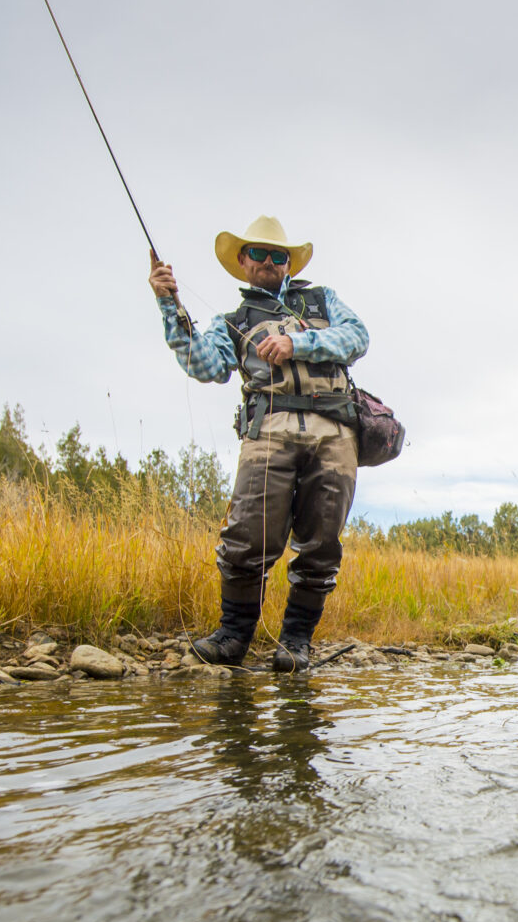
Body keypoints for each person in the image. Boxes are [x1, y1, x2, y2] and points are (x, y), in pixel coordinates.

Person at [148, 215, 370, 670]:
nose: (268, 261)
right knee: (246, 538)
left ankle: (295, 643)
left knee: (321, 545)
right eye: (258, 253)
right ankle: (234, 637)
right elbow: (205, 365)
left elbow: (357, 337)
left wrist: (297, 342)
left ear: (288, 263)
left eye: (278, 255)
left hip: (335, 436)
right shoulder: (232, 321)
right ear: (243, 261)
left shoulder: (322, 299)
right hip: (267, 432)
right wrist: (170, 305)